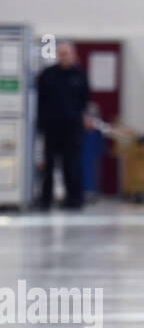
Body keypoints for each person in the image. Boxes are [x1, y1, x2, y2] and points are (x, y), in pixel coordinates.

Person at [36, 41, 90, 210]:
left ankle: (74, 200)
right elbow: (40, 101)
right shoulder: (48, 74)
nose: (64, 57)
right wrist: (41, 124)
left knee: (71, 165)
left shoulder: (80, 75)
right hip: (52, 128)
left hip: (72, 129)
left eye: (67, 53)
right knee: (49, 165)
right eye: (61, 53)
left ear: (73, 55)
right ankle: (45, 201)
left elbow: (85, 100)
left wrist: (83, 119)